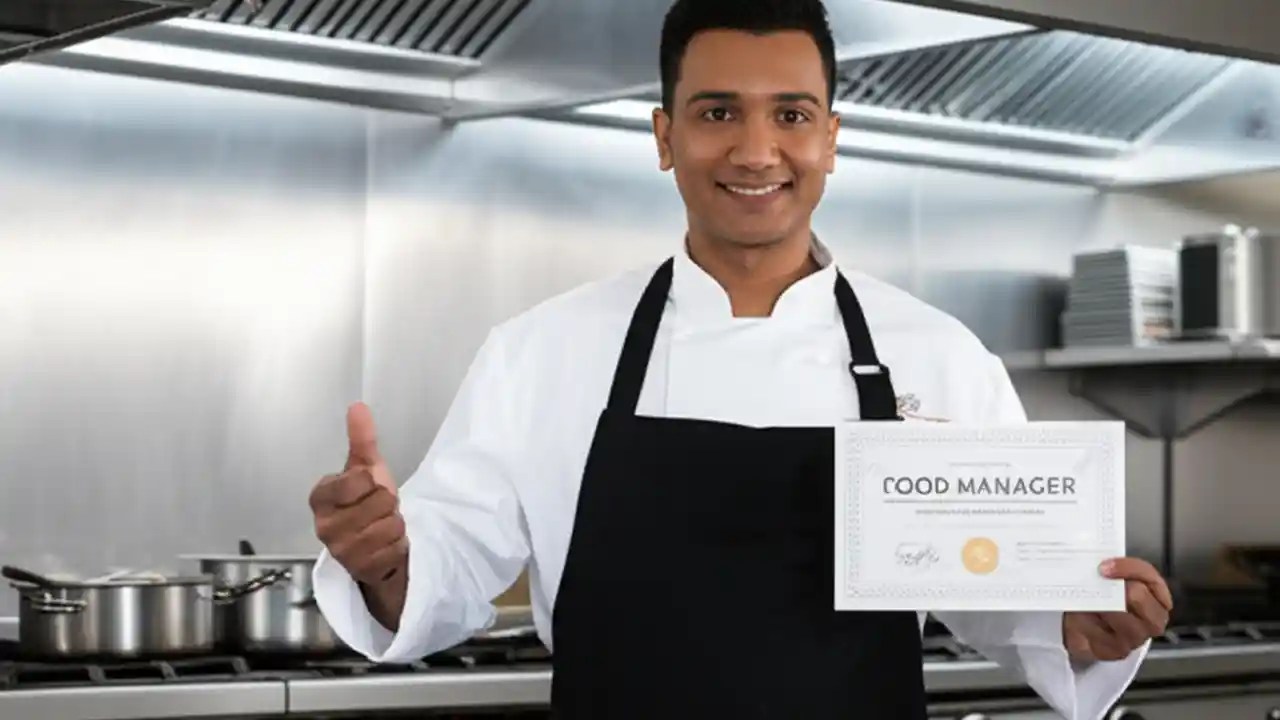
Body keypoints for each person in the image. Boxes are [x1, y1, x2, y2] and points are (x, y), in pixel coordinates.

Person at [308, 0, 1173, 717]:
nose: (756, 151)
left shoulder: (937, 356)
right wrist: (385, 561)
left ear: (830, 138)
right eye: (717, 112)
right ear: (664, 136)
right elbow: (447, 567)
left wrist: (1086, 623)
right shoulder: (542, 351)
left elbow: (1008, 586)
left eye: (791, 115)